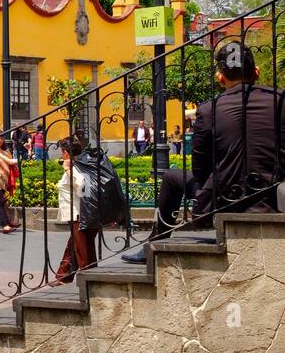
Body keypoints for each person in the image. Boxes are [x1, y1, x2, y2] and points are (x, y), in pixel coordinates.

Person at [122, 39, 285, 263]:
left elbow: (199, 168)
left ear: (220, 78)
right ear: (256, 72)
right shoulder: (281, 100)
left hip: (226, 197)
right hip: (274, 193)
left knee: (171, 177)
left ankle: (154, 243)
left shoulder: (209, 110)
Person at [54, 133, 96, 283]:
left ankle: (89, 279)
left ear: (65, 152)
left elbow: (83, 188)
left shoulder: (75, 167)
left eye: (62, 151)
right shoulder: (80, 164)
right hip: (79, 214)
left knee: (82, 250)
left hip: (79, 214)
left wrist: (67, 170)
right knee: (74, 246)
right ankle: (63, 276)